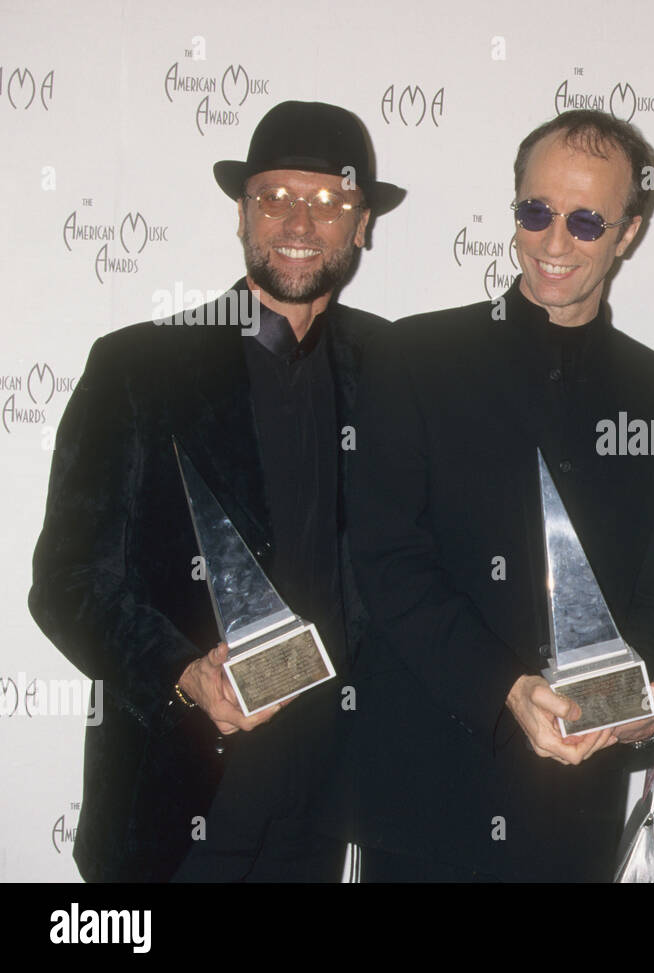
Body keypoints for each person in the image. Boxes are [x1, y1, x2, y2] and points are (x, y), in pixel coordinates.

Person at [28, 100, 403, 882]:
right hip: (178, 803)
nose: (301, 220)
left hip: (329, 805)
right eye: (274, 197)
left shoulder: (400, 372)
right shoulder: (138, 369)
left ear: (361, 224)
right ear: (242, 214)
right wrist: (185, 672)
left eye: (331, 200)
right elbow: (67, 582)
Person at [337, 110, 654, 881]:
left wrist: (642, 700)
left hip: (575, 805)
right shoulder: (414, 357)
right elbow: (386, 560)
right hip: (426, 798)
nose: (555, 242)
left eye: (586, 220)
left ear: (628, 233)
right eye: (535, 212)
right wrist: (504, 688)